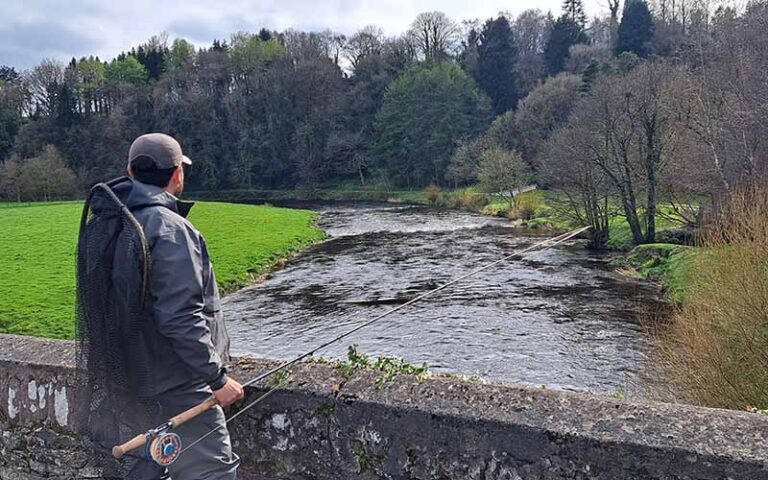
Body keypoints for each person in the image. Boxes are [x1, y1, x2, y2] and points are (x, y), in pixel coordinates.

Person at [82, 133, 244, 479]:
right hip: (179, 384)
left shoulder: (110, 223)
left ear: (130, 171)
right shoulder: (170, 229)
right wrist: (216, 379)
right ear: (178, 175)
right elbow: (181, 318)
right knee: (212, 472)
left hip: (129, 380)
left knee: (148, 471)